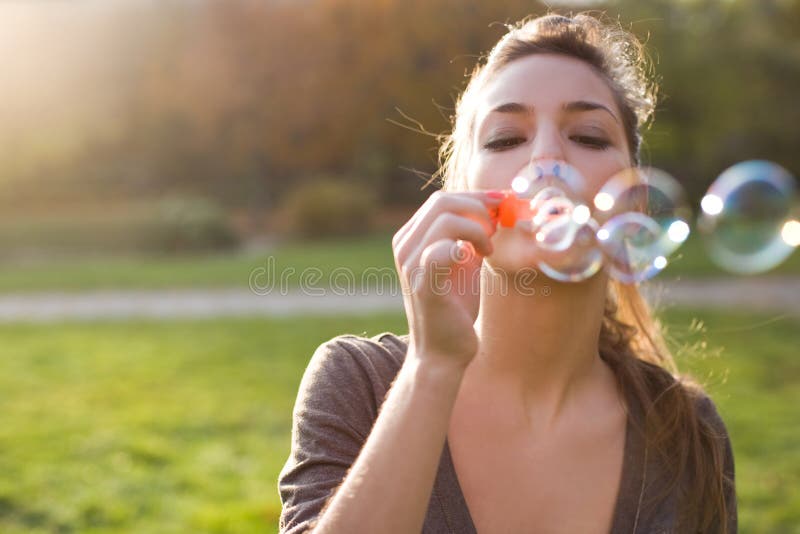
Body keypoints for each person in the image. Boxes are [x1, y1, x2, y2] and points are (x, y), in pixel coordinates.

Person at [278, 13, 737, 534]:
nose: (545, 158)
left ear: (631, 199)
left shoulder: (689, 432)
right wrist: (432, 369)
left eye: (588, 136)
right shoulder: (356, 381)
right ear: (463, 189)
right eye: (503, 140)